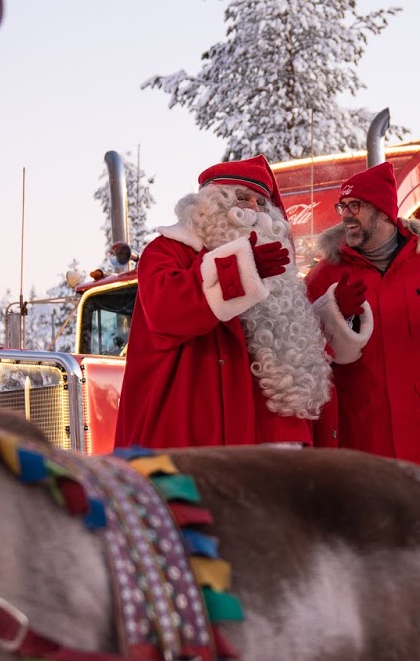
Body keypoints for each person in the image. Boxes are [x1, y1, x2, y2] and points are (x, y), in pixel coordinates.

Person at [115, 155, 332, 447]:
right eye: (243, 199)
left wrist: (339, 316)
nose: (255, 210)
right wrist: (240, 270)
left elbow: (298, 349)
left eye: (262, 203)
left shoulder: (278, 270)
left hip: (274, 442)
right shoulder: (167, 251)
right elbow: (165, 311)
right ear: (211, 205)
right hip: (194, 437)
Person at [305, 160, 420, 480]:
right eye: (342, 205)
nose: (346, 214)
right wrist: (336, 315)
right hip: (361, 446)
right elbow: (303, 351)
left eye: (356, 205)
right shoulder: (325, 275)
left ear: (383, 210)